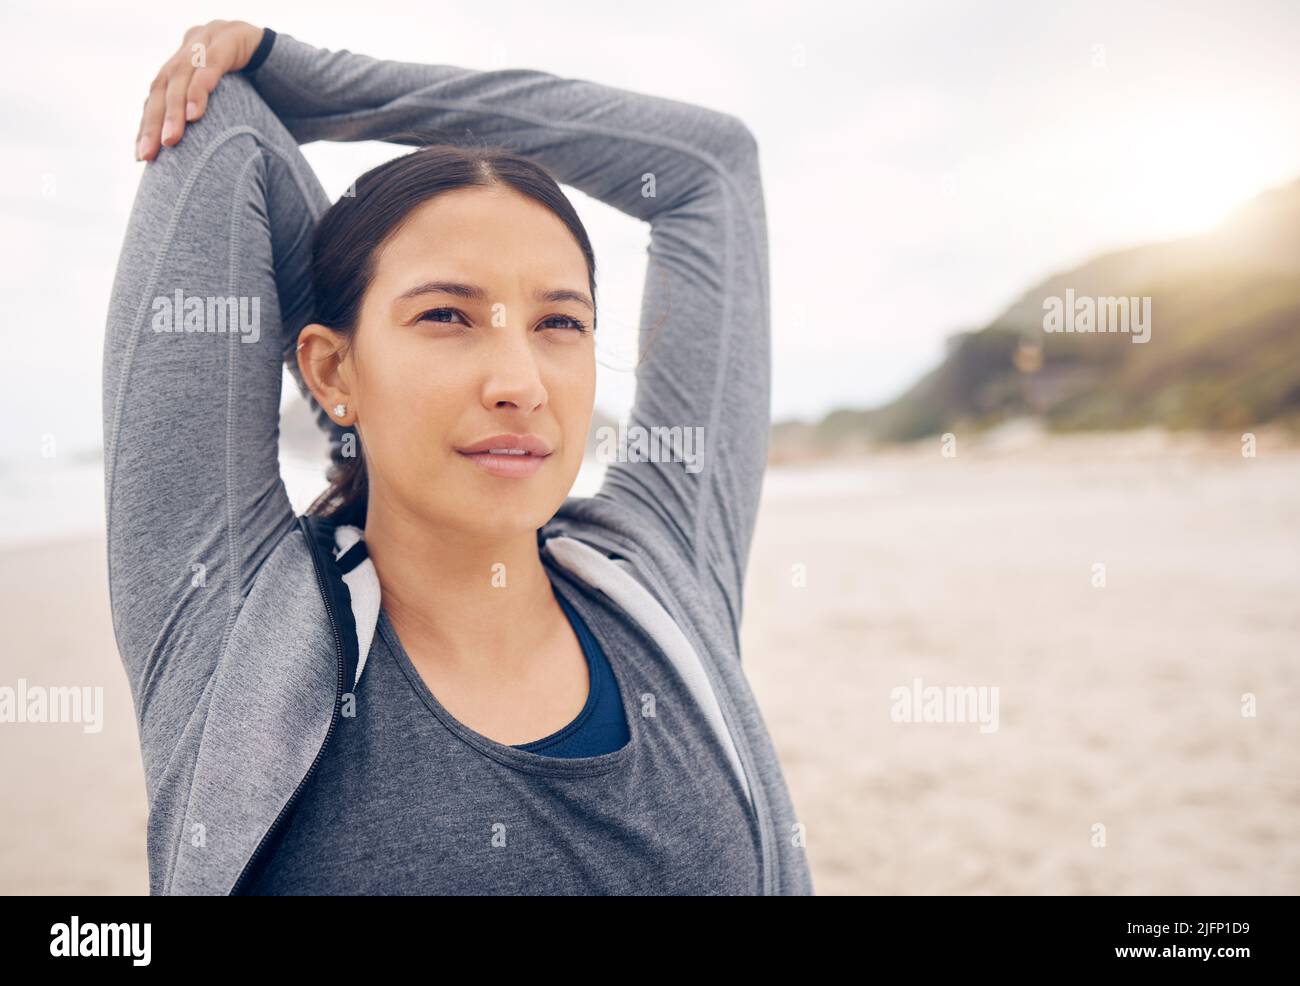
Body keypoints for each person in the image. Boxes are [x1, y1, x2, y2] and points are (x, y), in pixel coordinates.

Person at [107, 20, 813, 894]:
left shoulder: (663, 570)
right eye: (446, 315)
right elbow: (225, 128)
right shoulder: (237, 622)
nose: (521, 382)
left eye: (559, 322)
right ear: (331, 369)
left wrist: (326, 82)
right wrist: (282, 82)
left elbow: (707, 167)